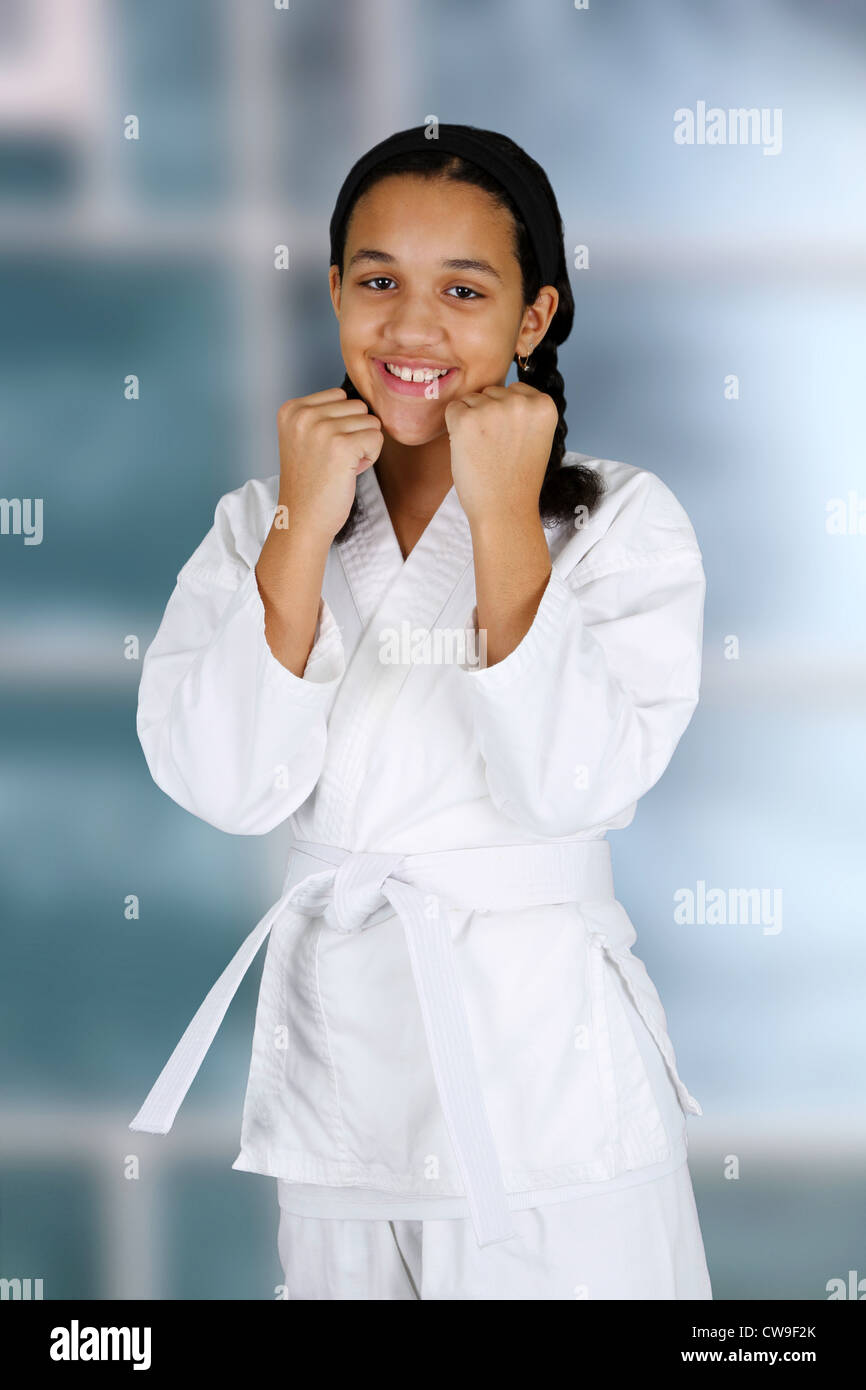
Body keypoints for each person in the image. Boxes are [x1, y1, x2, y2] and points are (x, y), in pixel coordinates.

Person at [129, 122, 713, 1301]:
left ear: (533, 317)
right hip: (341, 1082)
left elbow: (579, 784)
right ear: (335, 289)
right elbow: (224, 784)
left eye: (464, 289)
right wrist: (300, 522)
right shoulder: (261, 516)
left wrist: (503, 514)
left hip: (545, 1094)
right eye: (377, 280)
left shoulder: (620, 520)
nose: (410, 327)